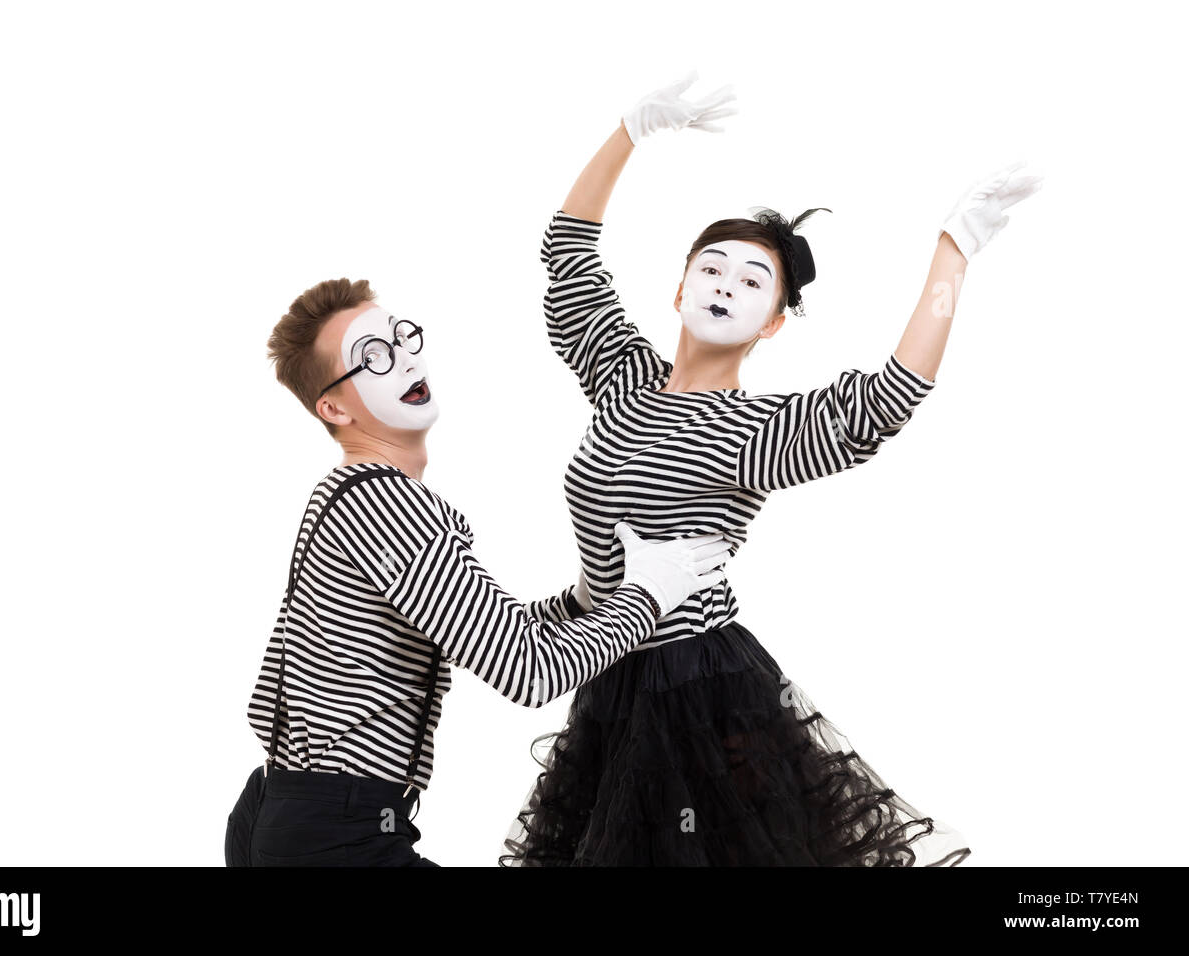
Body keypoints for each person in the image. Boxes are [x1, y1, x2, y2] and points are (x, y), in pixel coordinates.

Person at [499, 71, 1042, 866]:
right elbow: (567, 257)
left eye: (753, 282)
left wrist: (952, 251)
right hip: (610, 677)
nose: (726, 285)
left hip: (700, 693)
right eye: (712, 268)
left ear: (774, 324)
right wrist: (632, 126)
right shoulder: (620, 377)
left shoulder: (754, 430)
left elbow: (882, 404)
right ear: (679, 285)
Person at [224, 277, 732, 866]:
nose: (404, 362)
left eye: (401, 340)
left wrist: (585, 598)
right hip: (332, 839)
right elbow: (528, 671)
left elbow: (489, 630)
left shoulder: (346, 493)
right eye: (372, 359)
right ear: (332, 407)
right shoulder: (389, 508)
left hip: (288, 819)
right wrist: (648, 594)